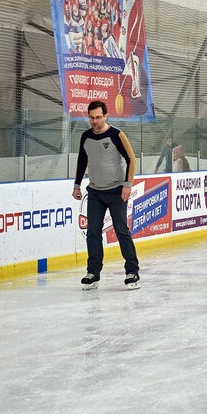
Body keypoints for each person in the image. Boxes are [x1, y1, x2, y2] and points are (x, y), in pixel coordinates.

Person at [72, 100, 140, 290]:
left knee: (121, 231)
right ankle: (93, 272)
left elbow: (131, 159)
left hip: (117, 192)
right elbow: (81, 160)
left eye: (98, 117)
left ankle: (132, 272)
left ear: (105, 116)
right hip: (95, 192)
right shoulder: (85, 137)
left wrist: (127, 184)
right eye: (92, 117)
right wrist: (77, 185)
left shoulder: (116, 135)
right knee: (92, 233)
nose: (95, 121)